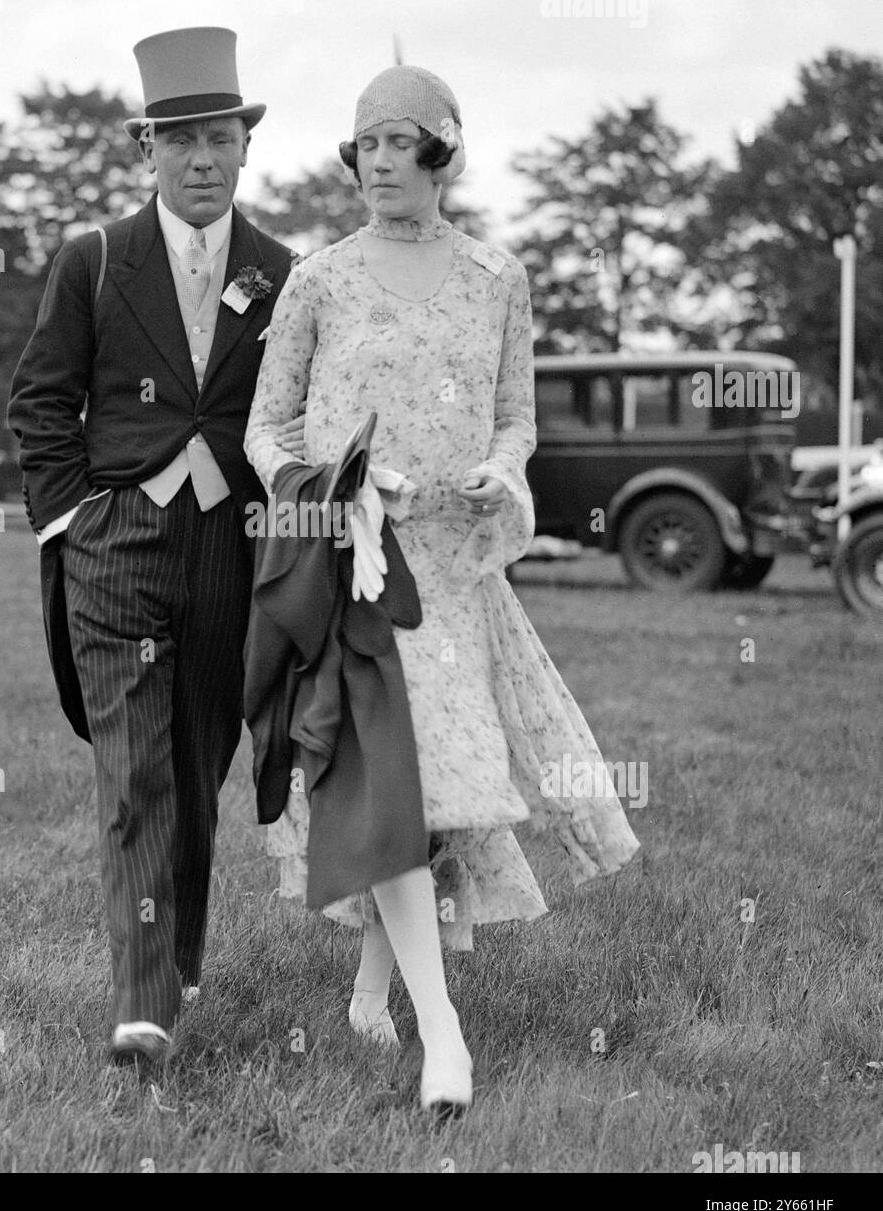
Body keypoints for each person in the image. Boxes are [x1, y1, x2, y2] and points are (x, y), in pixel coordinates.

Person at [244, 65, 641, 1116]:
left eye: (396, 141)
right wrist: (329, 484)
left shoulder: (495, 276)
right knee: (391, 792)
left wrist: (502, 468)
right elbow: (264, 427)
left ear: (439, 151)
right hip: (360, 574)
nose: (376, 162)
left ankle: (370, 997)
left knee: (433, 801)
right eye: (362, 144)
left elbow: (518, 416)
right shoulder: (319, 279)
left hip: (457, 577)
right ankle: (443, 1034)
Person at [8, 27, 300, 1068]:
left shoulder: (283, 272)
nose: (201, 159)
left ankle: (173, 957)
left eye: (217, 136)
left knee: (197, 760)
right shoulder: (92, 260)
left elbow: (297, 412)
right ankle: (140, 1002)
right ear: (146, 149)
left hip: (232, 547)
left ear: (243, 146)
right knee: (133, 769)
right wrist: (72, 517)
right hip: (116, 542)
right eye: (178, 140)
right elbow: (41, 402)